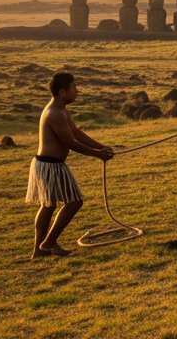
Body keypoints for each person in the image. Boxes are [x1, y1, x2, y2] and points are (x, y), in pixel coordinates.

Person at [27, 72, 114, 259]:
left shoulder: (61, 110)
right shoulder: (54, 113)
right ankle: (48, 243)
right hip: (51, 165)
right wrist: (99, 155)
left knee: (48, 206)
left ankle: (38, 251)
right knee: (74, 201)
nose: (77, 91)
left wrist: (101, 147)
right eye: (74, 88)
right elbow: (71, 143)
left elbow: (75, 132)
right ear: (62, 91)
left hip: (48, 164)